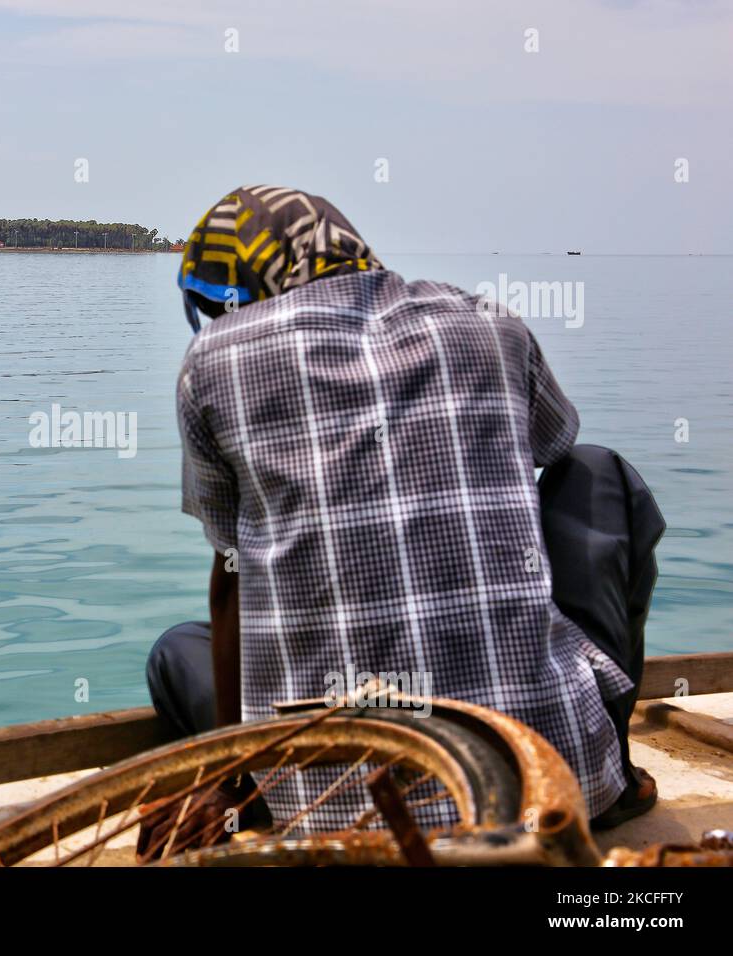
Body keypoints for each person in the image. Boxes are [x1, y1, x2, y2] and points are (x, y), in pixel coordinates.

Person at [146, 185, 665, 836]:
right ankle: (608, 770)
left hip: (338, 815)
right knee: (596, 471)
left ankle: (250, 801)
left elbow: (234, 572)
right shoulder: (488, 321)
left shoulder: (214, 363)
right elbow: (554, 447)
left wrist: (222, 778)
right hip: (555, 787)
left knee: (176, 651)